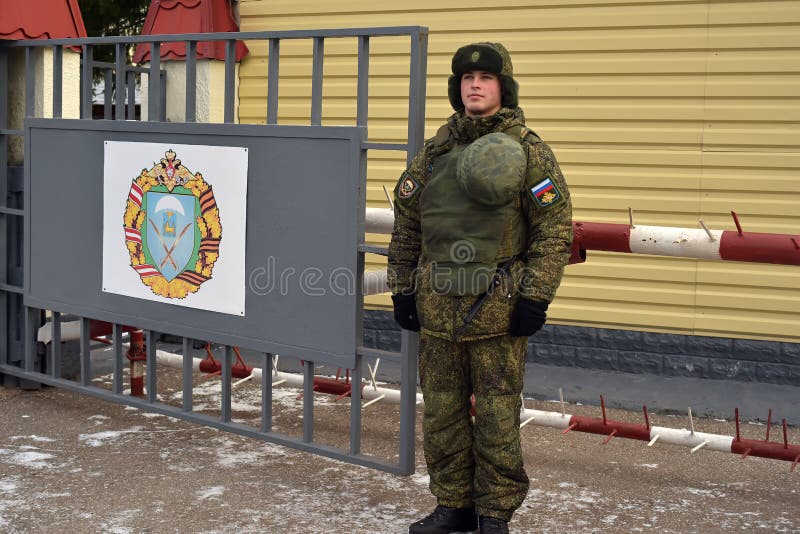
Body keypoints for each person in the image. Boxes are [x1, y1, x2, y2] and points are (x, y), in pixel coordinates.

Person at [388, 42, 573, 534]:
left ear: (503, 88)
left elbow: (554, 230)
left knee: (496, 419)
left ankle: (494, 514)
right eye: (467, 79)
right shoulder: (436, 150)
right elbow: (407, 223)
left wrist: (535, 296)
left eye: (486, 78)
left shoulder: (529, 152)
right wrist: (402, 289)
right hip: (437, 307)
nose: (475, 85)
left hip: (498, 310)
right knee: (442, 415)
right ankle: (454, 505)